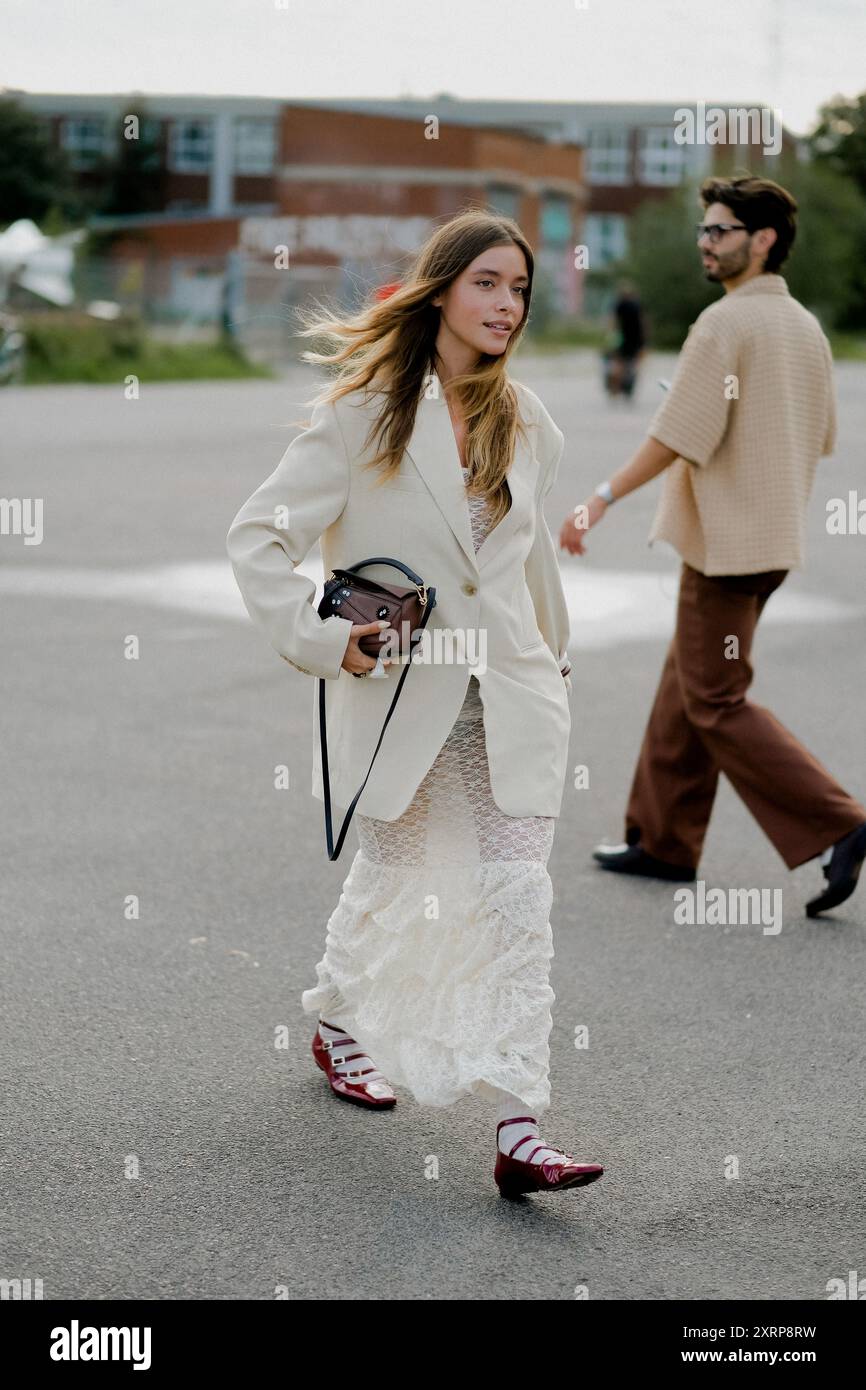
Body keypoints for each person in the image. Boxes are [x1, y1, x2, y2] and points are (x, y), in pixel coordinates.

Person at [227, 209, 604, 1198]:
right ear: (439, 290)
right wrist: (320, 640)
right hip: (402, 694)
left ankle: (520, 1125)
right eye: (486, 282)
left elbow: (516, 563)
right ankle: (339, 1024)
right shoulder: (360, 414)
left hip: (512, 695)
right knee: (396, 876)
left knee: (515, 896)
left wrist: (548, 657)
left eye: (517, 288)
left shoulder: (528, 420)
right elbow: (256, 536)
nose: (505, 305)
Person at [559, 175, 866, 919]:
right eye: (704, 231)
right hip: (771, 541)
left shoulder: (724, 325)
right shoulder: (804, 327)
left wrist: (597, 500)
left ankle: (841, 823)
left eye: (721, 231)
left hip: (727, 547)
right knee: (687, 686)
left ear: (762, 241)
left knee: (716, 699)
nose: (706, 243)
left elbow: (677, 437)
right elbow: (820, 434)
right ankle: (663, 841)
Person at [602, 280, 645, 399]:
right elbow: (643, 322)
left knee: (618, 364)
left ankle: (615, 390)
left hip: (623, 339)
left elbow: (613, 321)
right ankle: (629, 388)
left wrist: (610, 335)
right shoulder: (637, 304)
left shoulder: (619, 304)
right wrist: (644, 339)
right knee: (633, 365)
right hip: (636, 340)